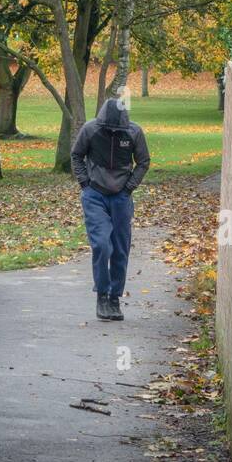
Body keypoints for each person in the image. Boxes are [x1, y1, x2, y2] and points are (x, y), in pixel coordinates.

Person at [70, 95, 151, 321]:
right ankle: (102, 295)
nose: (114, 132)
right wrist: (85, 184)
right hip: (95, 195)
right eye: (109, 129)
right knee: (102, 245)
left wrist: (129, 188)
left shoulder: (134, 132)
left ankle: (115, 298)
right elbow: (76, 155)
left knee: (120, 249)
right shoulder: (90, 130)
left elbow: (143, 161)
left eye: (118, 129)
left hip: (121, 198)